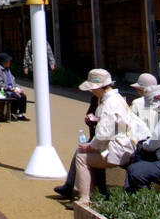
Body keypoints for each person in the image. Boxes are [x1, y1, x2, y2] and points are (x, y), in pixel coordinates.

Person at [55, 69, 133, 200]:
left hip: (118, 149)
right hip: (124, 146)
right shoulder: (117, 99)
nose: (91, 91)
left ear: (99, 87)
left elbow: (103, 134)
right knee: (85, 151)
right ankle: (89, 192)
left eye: (92, 88)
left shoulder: (109, 103)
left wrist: (90, 146)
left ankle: (85, 198)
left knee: (81, 157)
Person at [0, 53, 28, 120]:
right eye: (8, 61)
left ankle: (20, 114)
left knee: (23, 96)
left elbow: (13, 81)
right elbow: (0, 84)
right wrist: (11, 89)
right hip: (4, 90)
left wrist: (18, 88)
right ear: (4, 62)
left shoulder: (8, 70)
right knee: (14, 96)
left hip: (11, 89)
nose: (9, 62)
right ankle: (12, 113)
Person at [129, 72, 160, 137]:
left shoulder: (137, 103)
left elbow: (130, 124)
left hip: (144, 140)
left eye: (138, 89)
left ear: (141, 90)